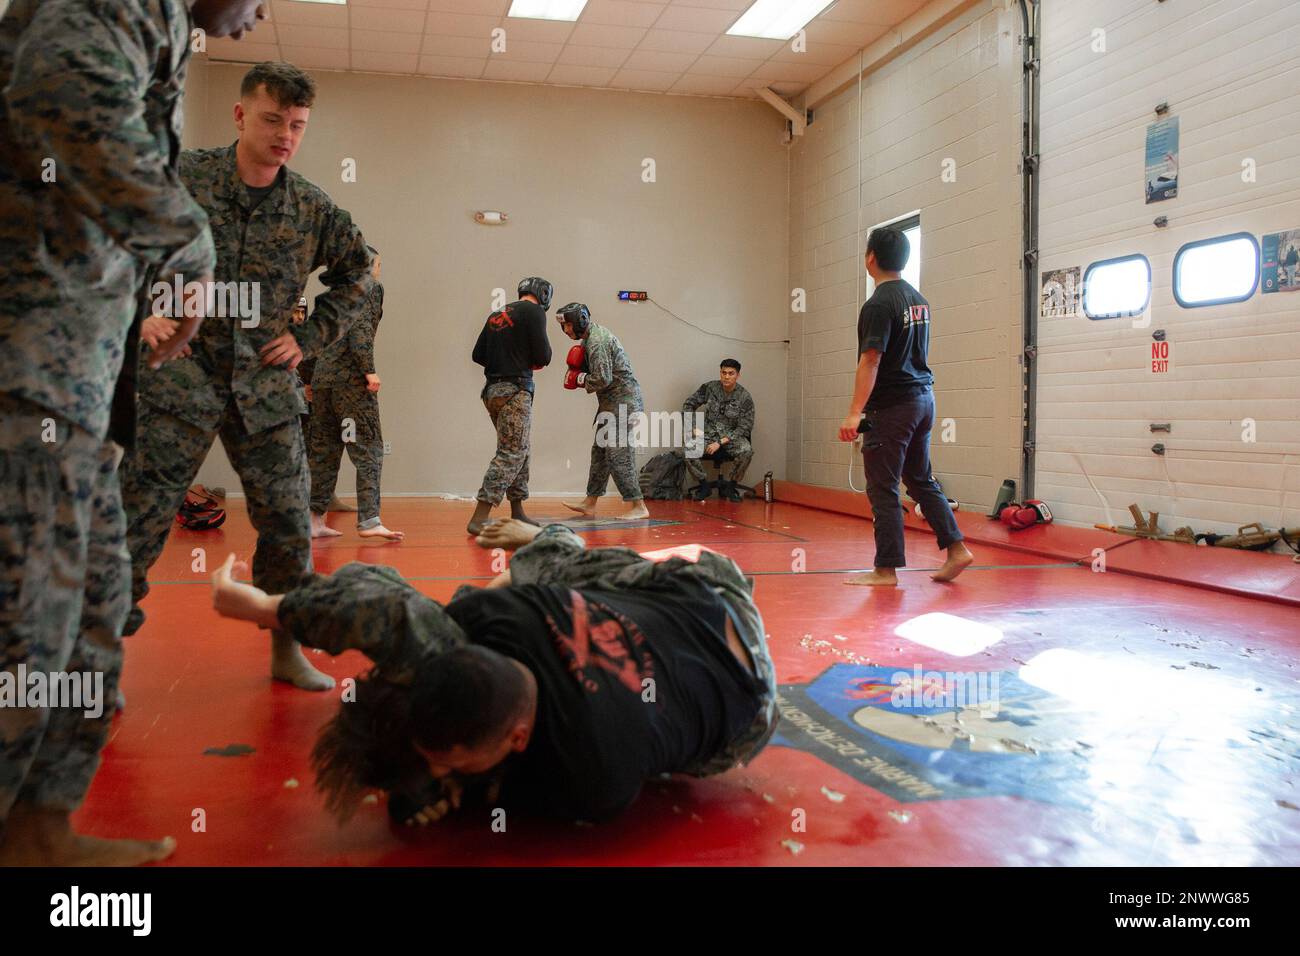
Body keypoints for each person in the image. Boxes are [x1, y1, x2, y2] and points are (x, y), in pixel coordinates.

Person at [0, 0, 267, 867]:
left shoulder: (156, 24)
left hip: (79, 385)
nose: (257, 14)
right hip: (25, 374)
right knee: (25, 628)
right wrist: (187, 242)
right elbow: (59, 95)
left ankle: (38, 827)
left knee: (92, 610)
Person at [211, 518, 778, 825]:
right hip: (691, 601)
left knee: (551, 573)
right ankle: (546, 538)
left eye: (447, 760)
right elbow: (389, 612)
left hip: (746, 695)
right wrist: (266, 608)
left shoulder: (591, 779)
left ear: (519, 738)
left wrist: (436, 789)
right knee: (543, 572)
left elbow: (473, 791)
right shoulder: (489, 616)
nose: (437, 765)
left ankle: (546, 539)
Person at [122, 61, 375, 691]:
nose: (285, 134)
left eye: (297, 124)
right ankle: (95, 662)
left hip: (264, 387)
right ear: (240, 115)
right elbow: (114, 244)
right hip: (178, 379)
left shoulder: (313, 208)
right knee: (135, 519)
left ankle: (287, 651)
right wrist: (140, 316)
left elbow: (356, 276)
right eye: (271, 119)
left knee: (289, 525)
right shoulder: (182, 179)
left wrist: (310, 337)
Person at [836, 226, 973, 586]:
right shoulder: (919, 300)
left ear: (870, 259)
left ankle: (886, 569)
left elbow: (871, 361)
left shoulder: (879, 304)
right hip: (923, 400)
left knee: (882, 486)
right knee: (919, 478)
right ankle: (957, 549)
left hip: (894, 407)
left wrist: (854, 412)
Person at [308, 249, 402, 542]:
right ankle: (369, 520)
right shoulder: (369, 287)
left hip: (323, 380)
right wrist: (368, 370)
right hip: (350, 381)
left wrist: (310, 378)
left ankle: (313, 520)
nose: (379, 270)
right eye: (378, 264)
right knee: (369, 449)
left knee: (324, 451)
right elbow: (360, 331)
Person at [466, 277, 554, 535]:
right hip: (515, 391)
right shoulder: (534, 312)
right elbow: (544, 356)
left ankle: (518, 512)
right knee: (512, 453)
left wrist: (504, 358)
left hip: (491, 391)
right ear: (543, 294)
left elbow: (477, 354)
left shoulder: (497, 313)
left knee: (520, 450)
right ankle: (479, 516)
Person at [557, 303, 650, 522]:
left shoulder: (597, 341)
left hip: (623, 403)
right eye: (564, 326)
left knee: (618, 455)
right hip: (611, 403)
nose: (567, 330)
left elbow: (602, 379)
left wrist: (578, 378)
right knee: (599, 453)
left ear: (579, 320)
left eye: (569, 325)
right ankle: (590, 503)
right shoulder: (589, 338)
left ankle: (639, 504)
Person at [682, 359, 756, 501]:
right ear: (720, 373)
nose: (726, 377)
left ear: (738, 375)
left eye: (731, 373)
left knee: (746, 451)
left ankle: (730, 486)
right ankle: (704, 486)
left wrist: (720, 442)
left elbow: (745, 426)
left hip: (731, 438)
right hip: (708, 434)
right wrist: (691, 427)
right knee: (688, 448)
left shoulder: (744, 397)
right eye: (724, 373)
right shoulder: (709, 388)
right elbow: (689, 404)